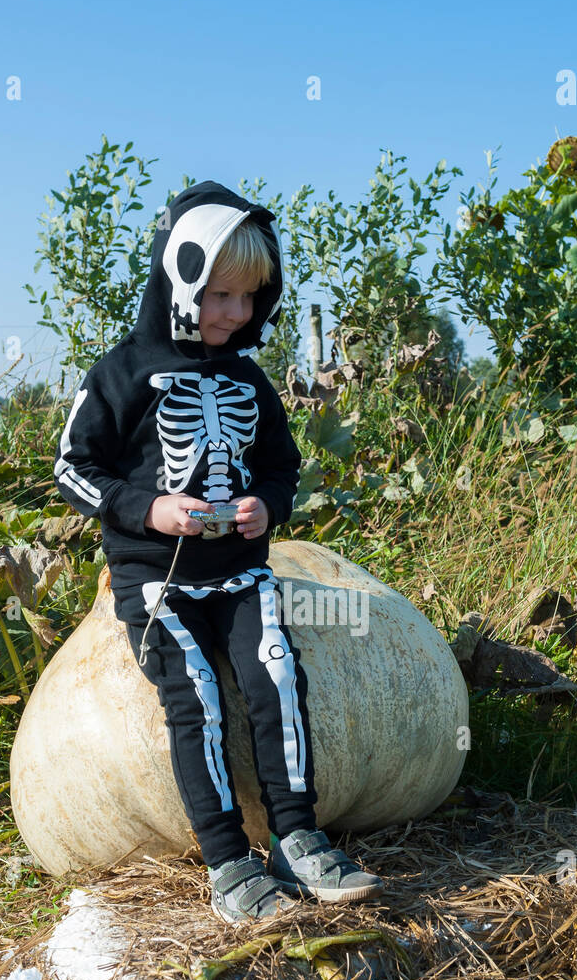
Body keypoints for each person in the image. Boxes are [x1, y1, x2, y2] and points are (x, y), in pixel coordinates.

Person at [53, 179, 383, 924]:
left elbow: (282, 464)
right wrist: (149, 508)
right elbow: (73, 465)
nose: (236, 315)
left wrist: (267, 504)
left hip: (240, 572)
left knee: (276, 676)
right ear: (181, 280)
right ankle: (228, 861)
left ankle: (298, 836)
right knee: (197, 696)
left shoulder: (247, 378)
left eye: (250, 299)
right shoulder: (122, 373)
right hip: (156, 578)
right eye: (221, 296)